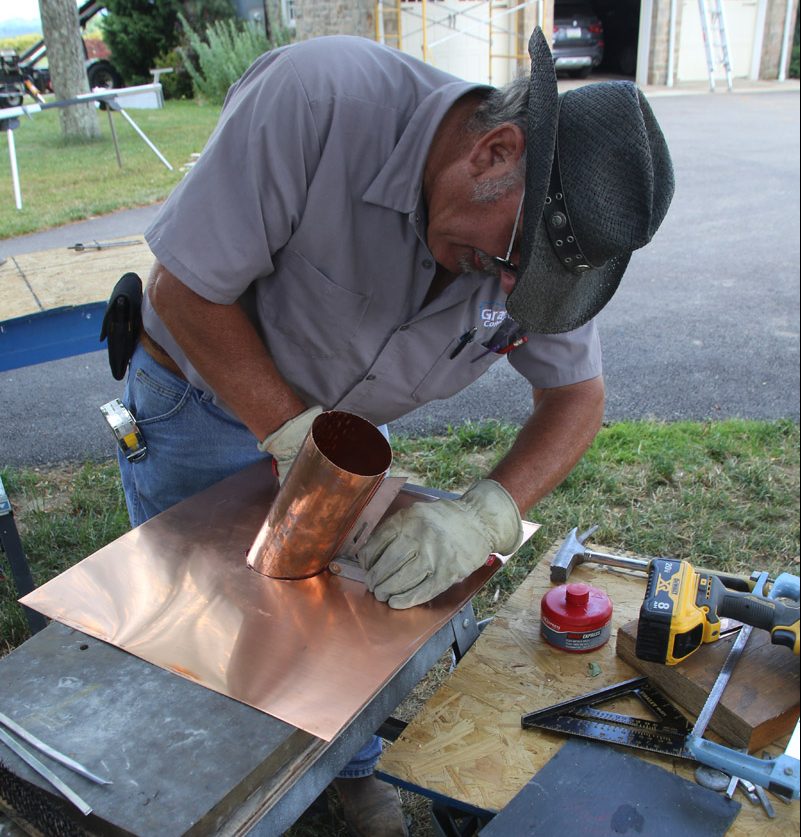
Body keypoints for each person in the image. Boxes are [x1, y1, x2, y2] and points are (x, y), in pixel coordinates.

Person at [116, 27, 673, 837]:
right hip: (199, 396)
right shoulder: (319, 100)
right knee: (200, 623)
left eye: (537, 284)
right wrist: (289, 434)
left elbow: (576, 397)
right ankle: (209, 793)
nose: (512, 288)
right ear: (492, 153)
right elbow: (183, 289)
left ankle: (348, 771)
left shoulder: (524, 244)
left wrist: (488, 509)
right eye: (512, 258)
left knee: (324, 616)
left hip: (334, 439)